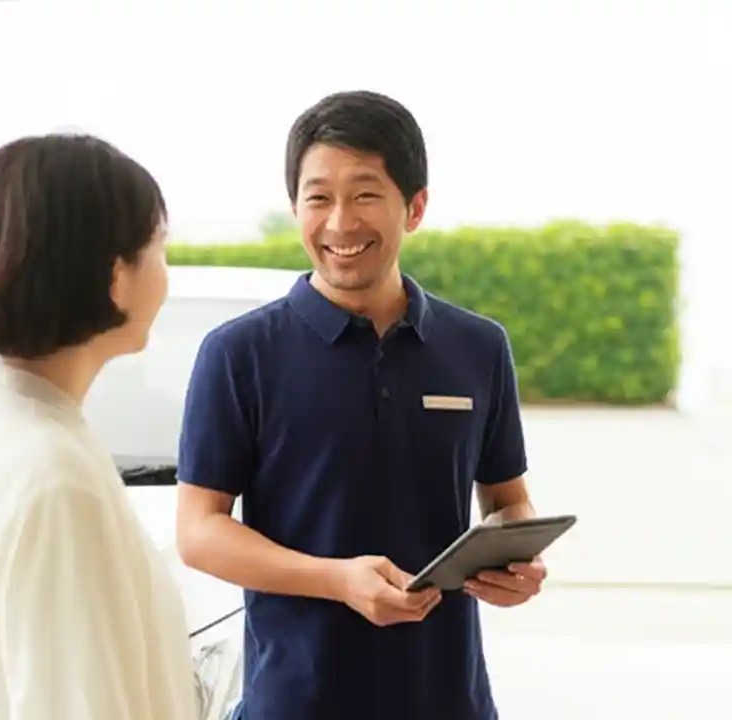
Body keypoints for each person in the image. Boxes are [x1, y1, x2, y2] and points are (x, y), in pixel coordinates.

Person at [175, 90, 546, 720]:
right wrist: (336, 580)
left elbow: (508, 501)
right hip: (296, 701)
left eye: (366, 193)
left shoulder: (478, 347)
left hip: (448, 700)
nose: (340, 223)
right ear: (295, 207)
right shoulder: (238, 353)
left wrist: (517, 564)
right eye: (318, 197)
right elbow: (199, 531)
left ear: (415, 206)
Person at [0, 133, 196, 720]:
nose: (164, 274)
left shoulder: (3, 424)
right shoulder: (52, 475)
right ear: (114, 274)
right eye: (158, 249)